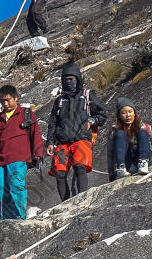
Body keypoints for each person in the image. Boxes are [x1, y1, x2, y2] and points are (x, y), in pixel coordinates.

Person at [0, 84, 45, 220]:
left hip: (18, 158)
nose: (6, 103)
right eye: (2, 101)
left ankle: (19, 218)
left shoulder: (26, 114)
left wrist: (38, 153)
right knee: (0, 191)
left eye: (8, 99)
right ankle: (6, 220)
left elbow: (35, 134)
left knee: (16, 187)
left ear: (16, 98)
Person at [45, 61, 107, 201]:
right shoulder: (59, 101)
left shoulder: (88, 95)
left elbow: (102, 115)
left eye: (71, 79)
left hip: (82, 139)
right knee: (60, 173)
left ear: (78, 79)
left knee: (80, 167)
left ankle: (81, 198)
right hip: (62, 143)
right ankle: (66, 203)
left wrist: (92, 121)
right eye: (66, 80)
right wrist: (49, 142)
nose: (69, 82)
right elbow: (53, 122)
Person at [108, 100, 152, 179]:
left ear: (134, 113)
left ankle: (143, 162)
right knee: (120, 134)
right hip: (129, 164)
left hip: (144, 161)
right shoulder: (115, 130)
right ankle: (121, 167)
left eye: (130, 111)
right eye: (123, 113)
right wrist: (111, 174)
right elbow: (110, 153)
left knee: (142, 133)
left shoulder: (145, 127)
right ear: (119, 116)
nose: (128, 115)